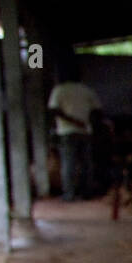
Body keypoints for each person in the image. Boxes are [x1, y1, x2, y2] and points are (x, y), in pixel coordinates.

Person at [48, 67, 102, 201]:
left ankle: (69, 194)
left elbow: (54, 110)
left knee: (68, 164)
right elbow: (97, 111)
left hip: (66, 131)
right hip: (85, 131)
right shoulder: (86, 90)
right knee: (86, 163)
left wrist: (71, 121)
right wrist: (86, 123)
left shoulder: (59, 90)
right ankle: (87, 193)